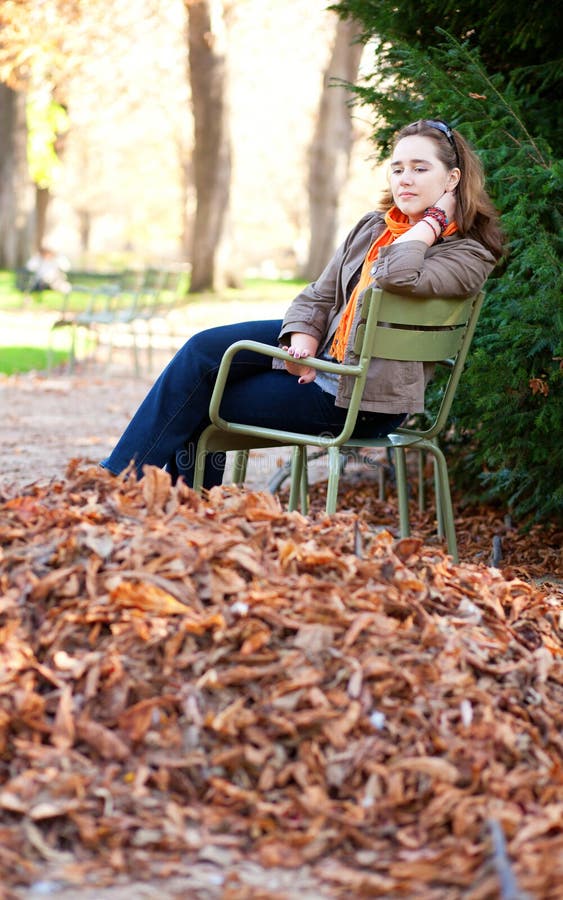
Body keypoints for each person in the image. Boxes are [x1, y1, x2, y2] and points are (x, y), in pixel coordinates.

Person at [101, 118, 504, 489]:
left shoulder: (469, 254)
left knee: (200, 395)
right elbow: (319, 294)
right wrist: (302, 335)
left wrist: (432, 223)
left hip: (359, 401)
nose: (405, 179)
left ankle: (143, 493)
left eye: (420, 168)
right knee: (203, 350)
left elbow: (395, 272)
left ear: (452, 178)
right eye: (397, 169)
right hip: (328, 354)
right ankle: (146, 490)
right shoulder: (373, 226)